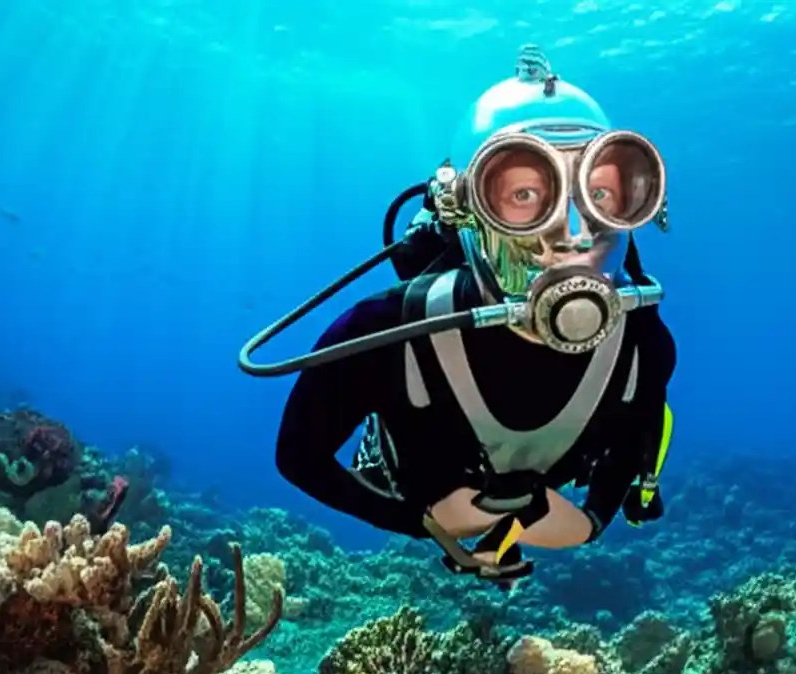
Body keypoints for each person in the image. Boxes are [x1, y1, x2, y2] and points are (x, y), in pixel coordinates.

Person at [238, 45, 677, 587]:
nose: (575, 231)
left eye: (600, 193)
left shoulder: (640, 342)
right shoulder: (389, 330)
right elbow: (299, 454)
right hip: (424, 484)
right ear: (467, 210)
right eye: (524, 193)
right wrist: (419, 521)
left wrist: (590, 521)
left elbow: (641, 436)